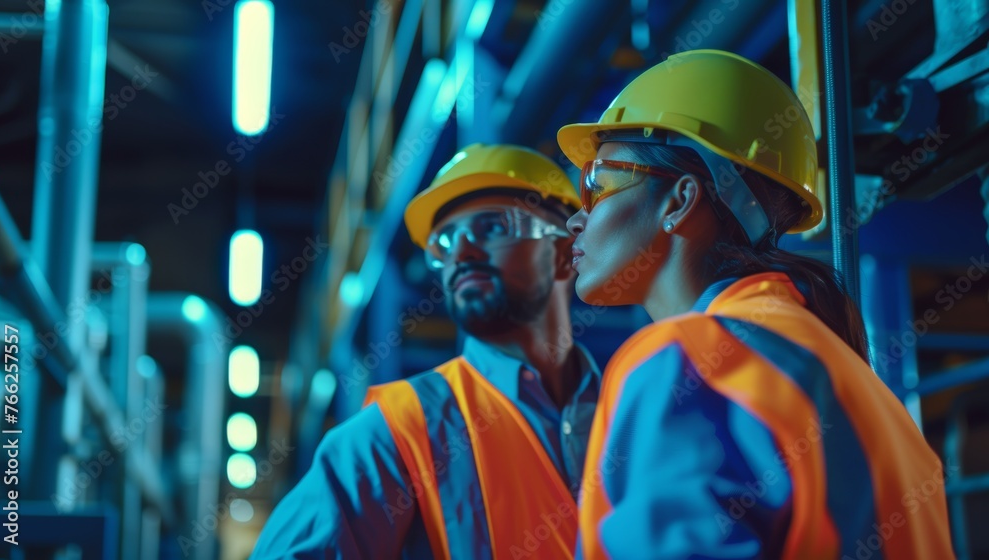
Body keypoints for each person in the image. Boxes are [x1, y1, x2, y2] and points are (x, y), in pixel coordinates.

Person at [556, 49, 954, 559]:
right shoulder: (872, 397)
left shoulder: (690, 359)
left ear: (679, 201)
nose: (575, 219)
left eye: (597, 184)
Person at [251, 143, 601, 559]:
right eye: (445, 242)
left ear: (564, 251)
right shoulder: (398, 431)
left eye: (492, 227)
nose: (461, 254)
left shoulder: (629, 407)